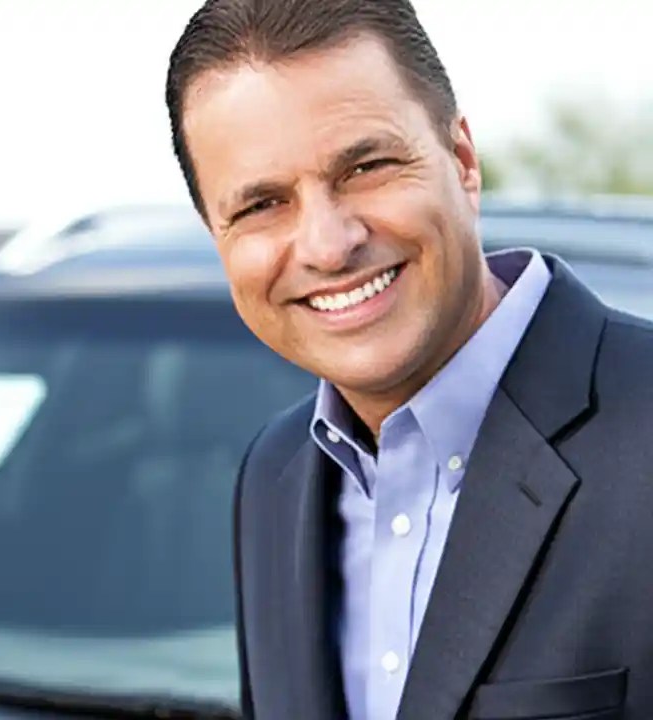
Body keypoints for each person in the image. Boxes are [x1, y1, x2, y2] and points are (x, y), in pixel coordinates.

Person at [164, 1, 653, 718]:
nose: (328, 245)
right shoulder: (274, 476)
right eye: (263, 204)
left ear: (462, 160)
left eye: (366, 166)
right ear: (218, 236)